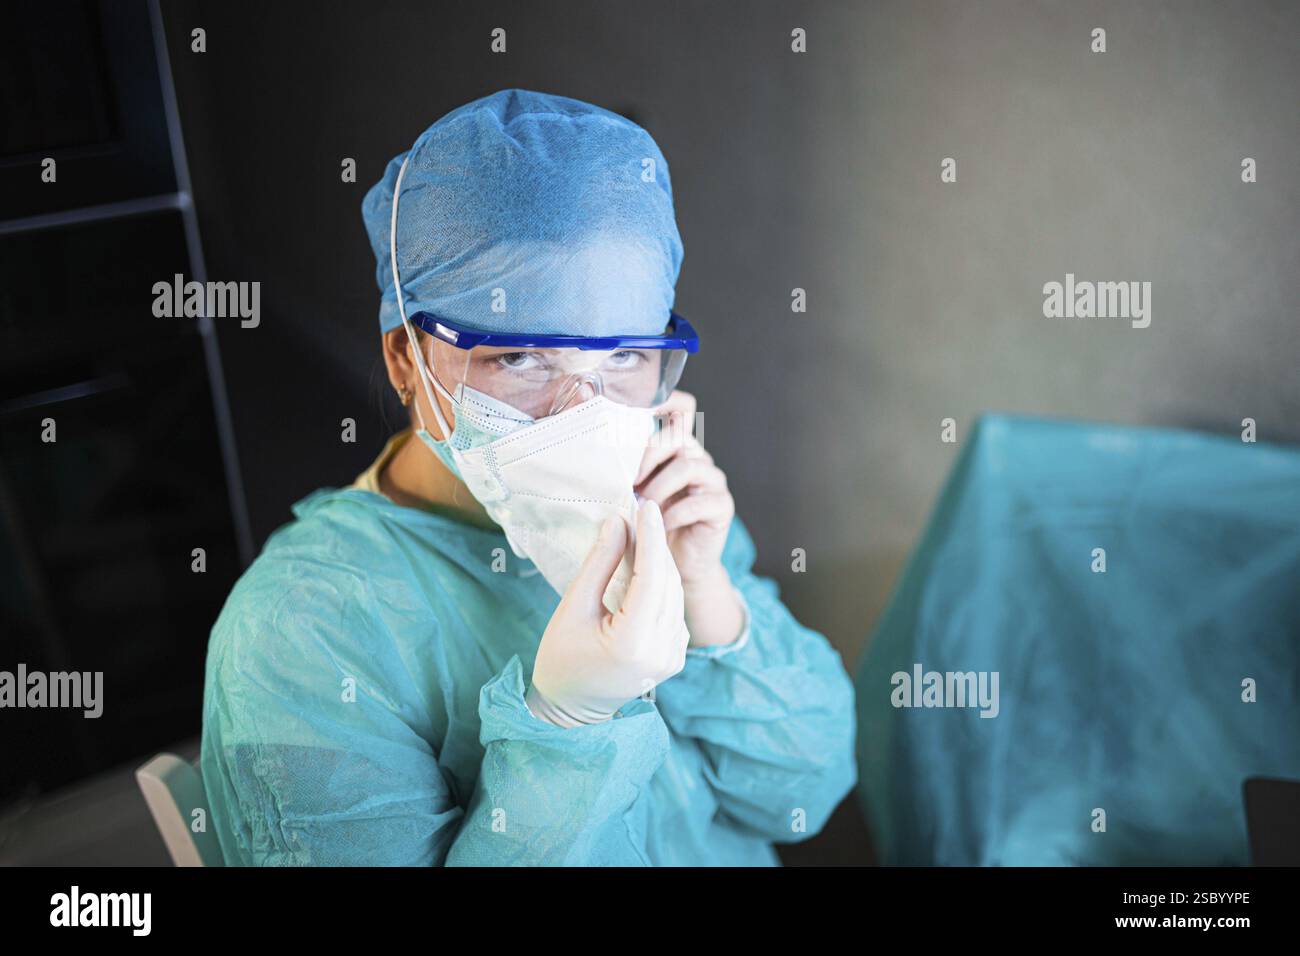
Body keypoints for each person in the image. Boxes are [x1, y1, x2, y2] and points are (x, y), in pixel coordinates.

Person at [200, 89, 856, 865]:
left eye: (622, 356)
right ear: (406, 358)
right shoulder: (303, 634)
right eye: (520, 357)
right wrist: (564, 725)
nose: (582, 413)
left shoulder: (662, 501)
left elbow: (804, 792)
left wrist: (713, 611)